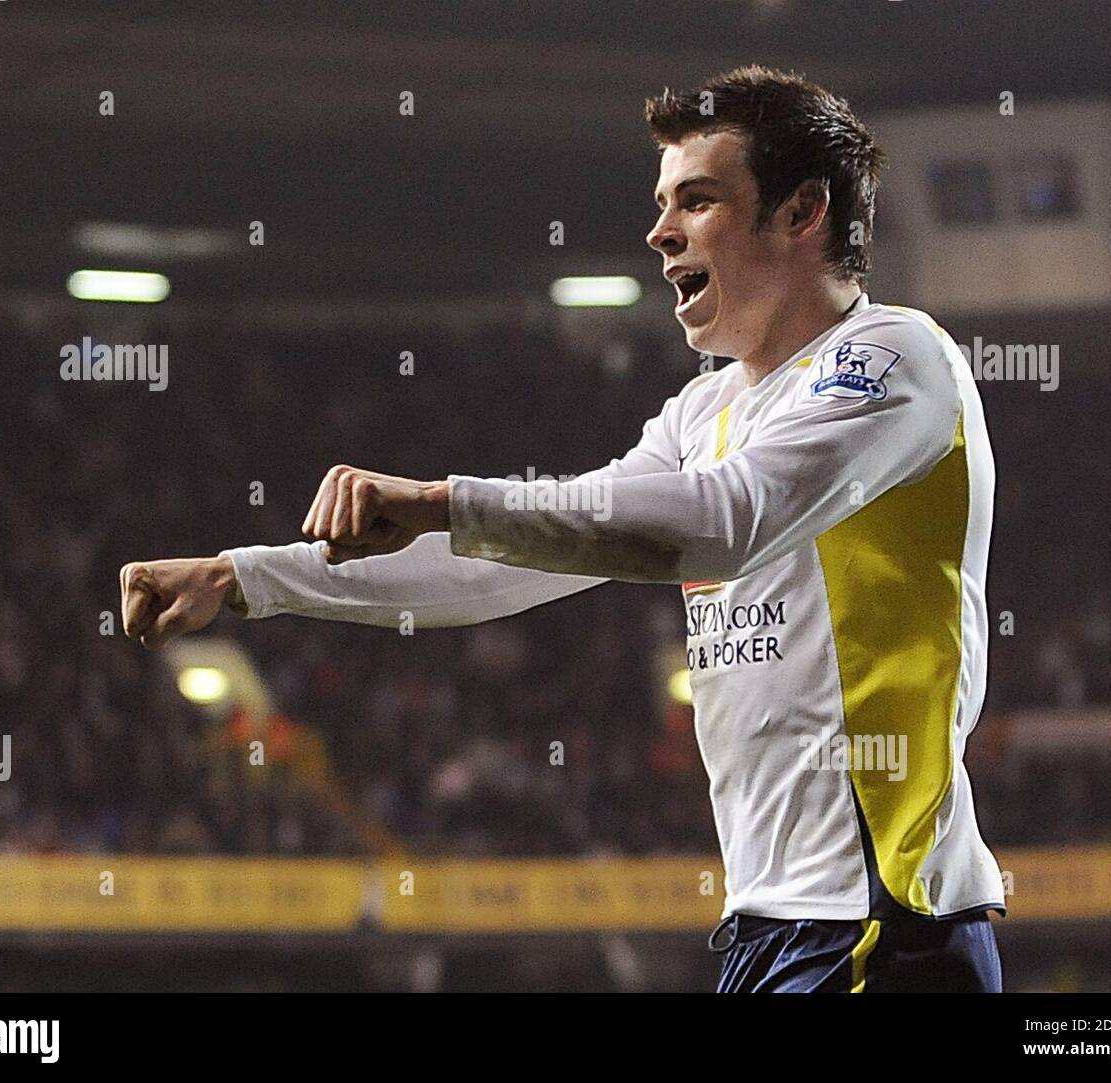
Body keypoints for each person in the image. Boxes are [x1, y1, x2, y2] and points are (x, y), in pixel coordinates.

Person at [120, 65, 1005, 992]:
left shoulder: (894, 357)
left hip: (886, 920)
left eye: (696, 202)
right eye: (663, 204)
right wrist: (246, 576)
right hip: (770, 924)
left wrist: (443, 498)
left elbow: (729, 521)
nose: (659, 233)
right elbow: (502, 569)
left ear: (801, 212)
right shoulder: (702, 414)